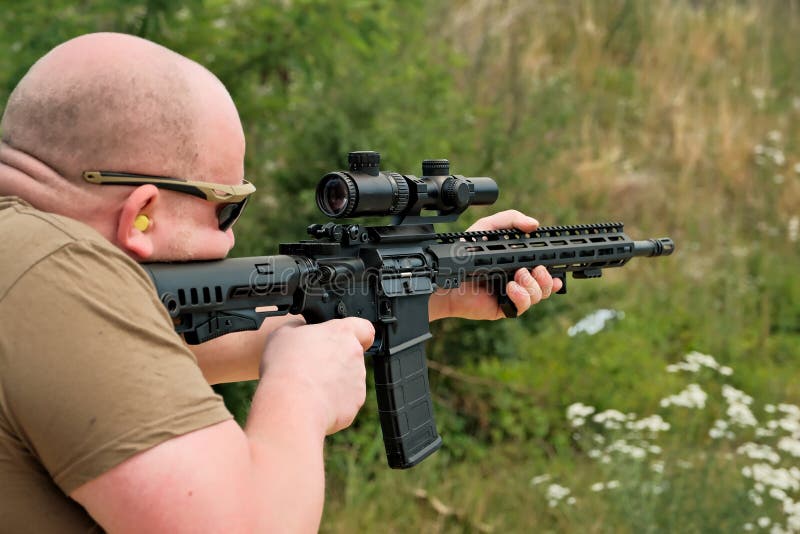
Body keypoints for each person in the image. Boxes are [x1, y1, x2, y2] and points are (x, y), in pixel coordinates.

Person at [0, 32, 561, 533]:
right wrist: (301, 394)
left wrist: (430, 287)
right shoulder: (58, 270)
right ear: (141, 214)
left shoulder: (27, 266)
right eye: (227, 209)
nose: (231, 243)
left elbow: (171, 351)